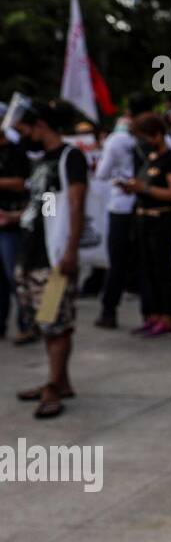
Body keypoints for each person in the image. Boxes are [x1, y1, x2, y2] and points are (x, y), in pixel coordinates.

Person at [2, 97, 88, 419]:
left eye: (25, 127)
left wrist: (69, 249)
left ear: (41, 125)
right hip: (34, 251)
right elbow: (47, 205)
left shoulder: (70, 157)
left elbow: (77, 205)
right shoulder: (42, 161)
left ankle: (53, 388)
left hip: (53, 257)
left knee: (55, 323)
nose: (22, 133)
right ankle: (59, 381)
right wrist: (14, 218)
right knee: (46, 321)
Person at [93, 92, 153, 329]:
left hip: (120, 206)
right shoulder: (156, 136)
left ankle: (109, 312)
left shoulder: (117, 141)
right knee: (144, 262)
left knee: (116, 262)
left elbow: (102, 173)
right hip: (146, 204)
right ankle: (150, 315)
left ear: (128, 113)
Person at [119, 113, 171, 338]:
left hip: (161, 220)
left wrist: (144, 189)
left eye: (145, 136)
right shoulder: (149, 158)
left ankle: (168, 316)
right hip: (143, 219)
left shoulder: (170, 159)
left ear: (157, 135)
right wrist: (131, 188)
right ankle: (152, 314)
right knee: (145, 269)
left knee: (161, 269)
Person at [0, 106, 33, 343]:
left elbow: (25, 184)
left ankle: (28, 323)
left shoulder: (18, 152)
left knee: (16, 277)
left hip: (14, 223)